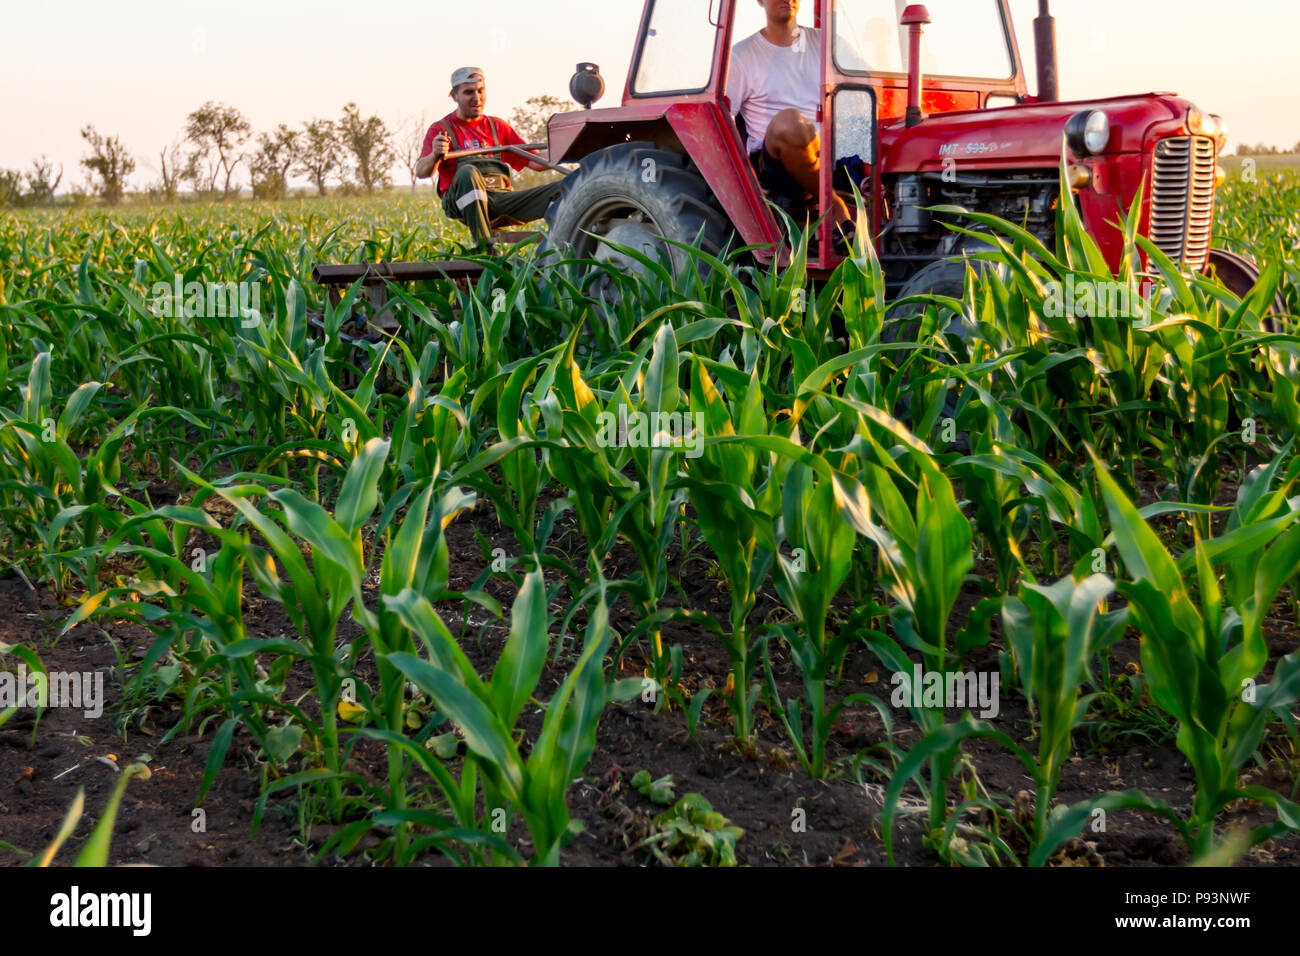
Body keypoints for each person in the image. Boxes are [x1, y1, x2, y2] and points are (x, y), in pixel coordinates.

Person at [726, 0, 853, 243]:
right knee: (792, 123)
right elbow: (722, 118)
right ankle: (833, 206)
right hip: (778, 165)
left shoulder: (827, 44)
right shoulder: (742, 56)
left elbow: (872, 89)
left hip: (833, 153)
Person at [416, 67, 565, 249]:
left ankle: (565, 247)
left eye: (480, 90)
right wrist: (435, 155)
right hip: (463, 202)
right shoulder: (441, 129)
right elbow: (422, 171)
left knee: (567, 188)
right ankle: (485, 249)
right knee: (468, 172)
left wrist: (572, 148)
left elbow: (536, 161)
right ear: (454, 96)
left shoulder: (497, 126)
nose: (476, 98)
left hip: (499, 199)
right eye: (468, 92)